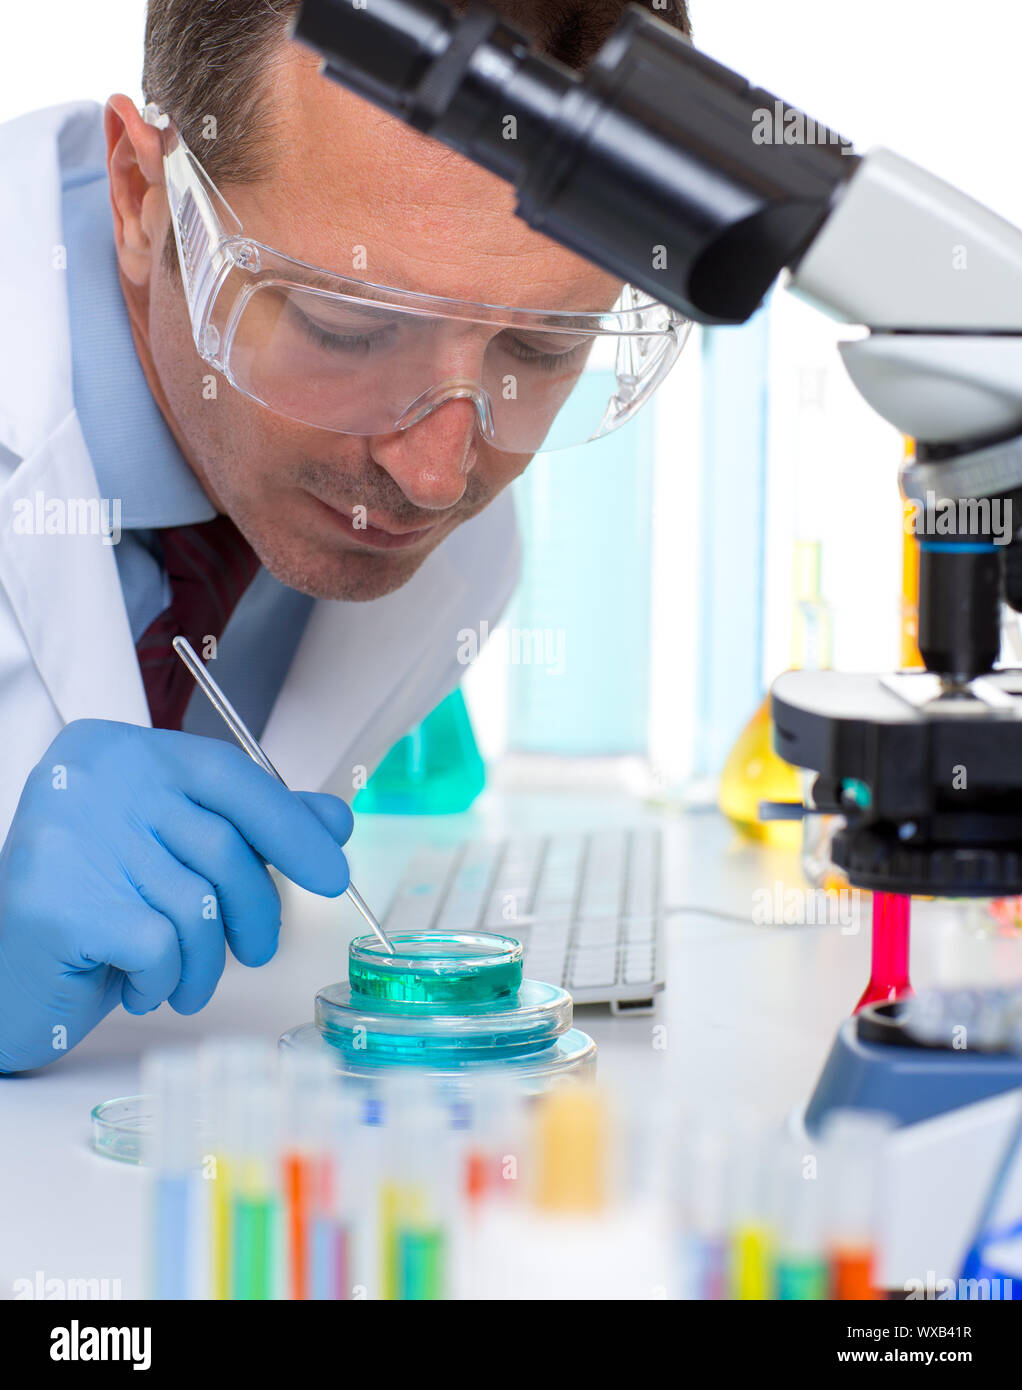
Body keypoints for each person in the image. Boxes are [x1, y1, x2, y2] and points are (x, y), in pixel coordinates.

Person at [0, 0, 691, 1072]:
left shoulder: (464, 544)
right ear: (143, 201)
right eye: (348, 328)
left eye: (540, 347)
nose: (436, 474)